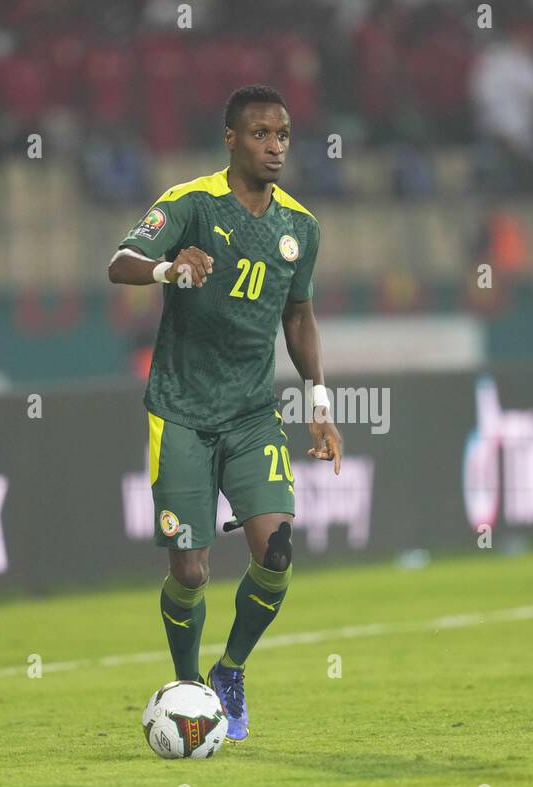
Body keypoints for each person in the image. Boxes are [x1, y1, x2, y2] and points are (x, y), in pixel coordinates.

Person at [108, 84, 342, 742]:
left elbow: (298, 317)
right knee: (190, 569)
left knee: (277, 550)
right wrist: (166, 271)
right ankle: (188, 689)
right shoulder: (190, 204)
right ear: (232, 139)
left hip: (250, 415)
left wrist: (319, 402)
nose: (275, 147)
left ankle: (230, 669)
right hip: (180, 409)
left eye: (284, 136)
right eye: (262, 135)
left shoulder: (300, 227)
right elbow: (119, 262)